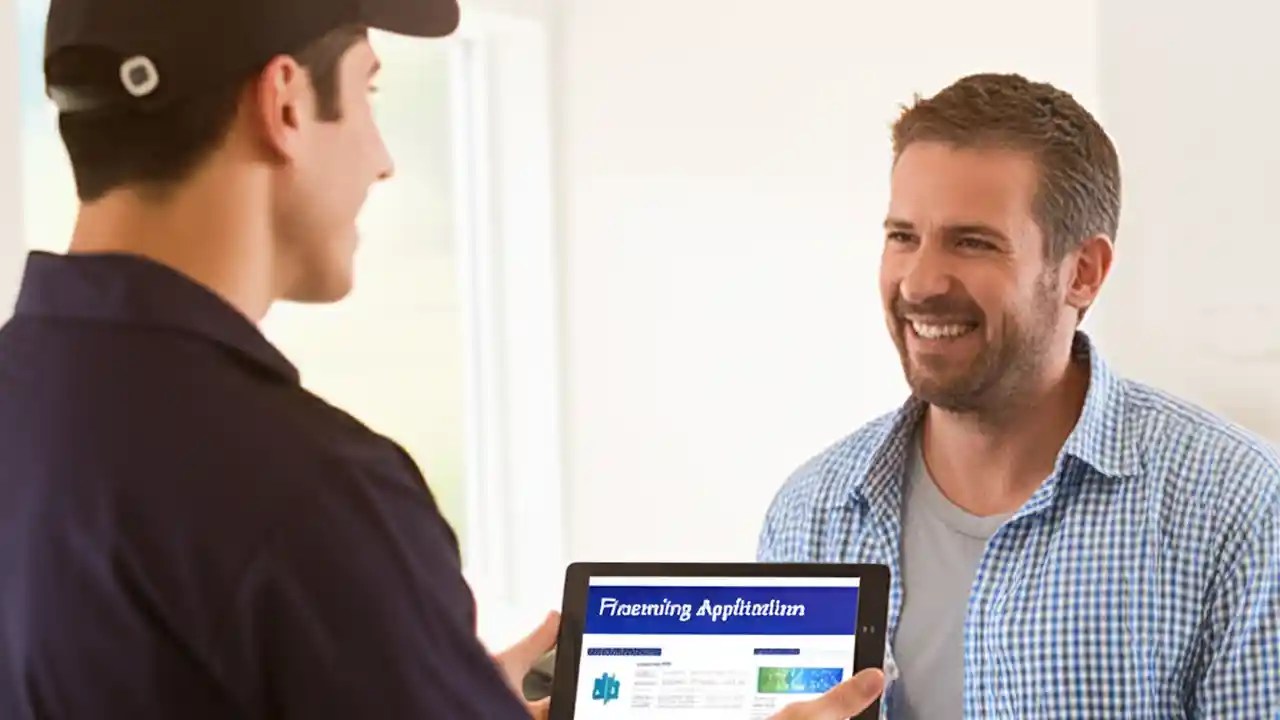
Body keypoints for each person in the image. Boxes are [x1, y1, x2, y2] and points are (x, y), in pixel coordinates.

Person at [0, 0, 885, 717]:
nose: (383, 160)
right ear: (285, 105)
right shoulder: (308, 493)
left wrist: (425, 680)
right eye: (370, 90)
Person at [758, 73, 1280, 719]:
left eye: (973, 242)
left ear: (1083, 272)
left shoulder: (1236, 508)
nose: (919, 283)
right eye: (903, 237)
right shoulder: (812, 513)